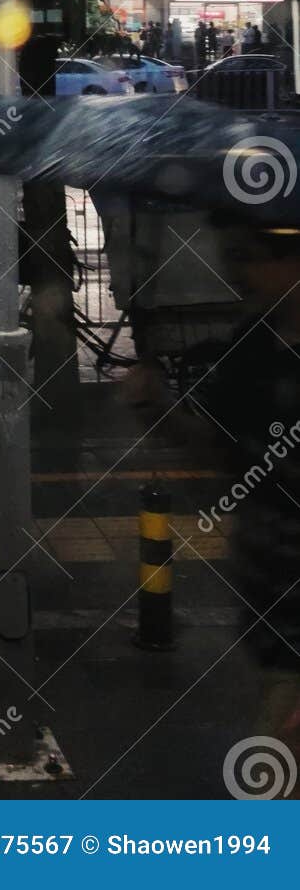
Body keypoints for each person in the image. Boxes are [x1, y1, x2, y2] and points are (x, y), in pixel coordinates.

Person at [207, 221, 300, 781]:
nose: (238, 273)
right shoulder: (252, 347)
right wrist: (153, 408)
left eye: (252, 257)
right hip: (271, 627)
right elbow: (223, 452)